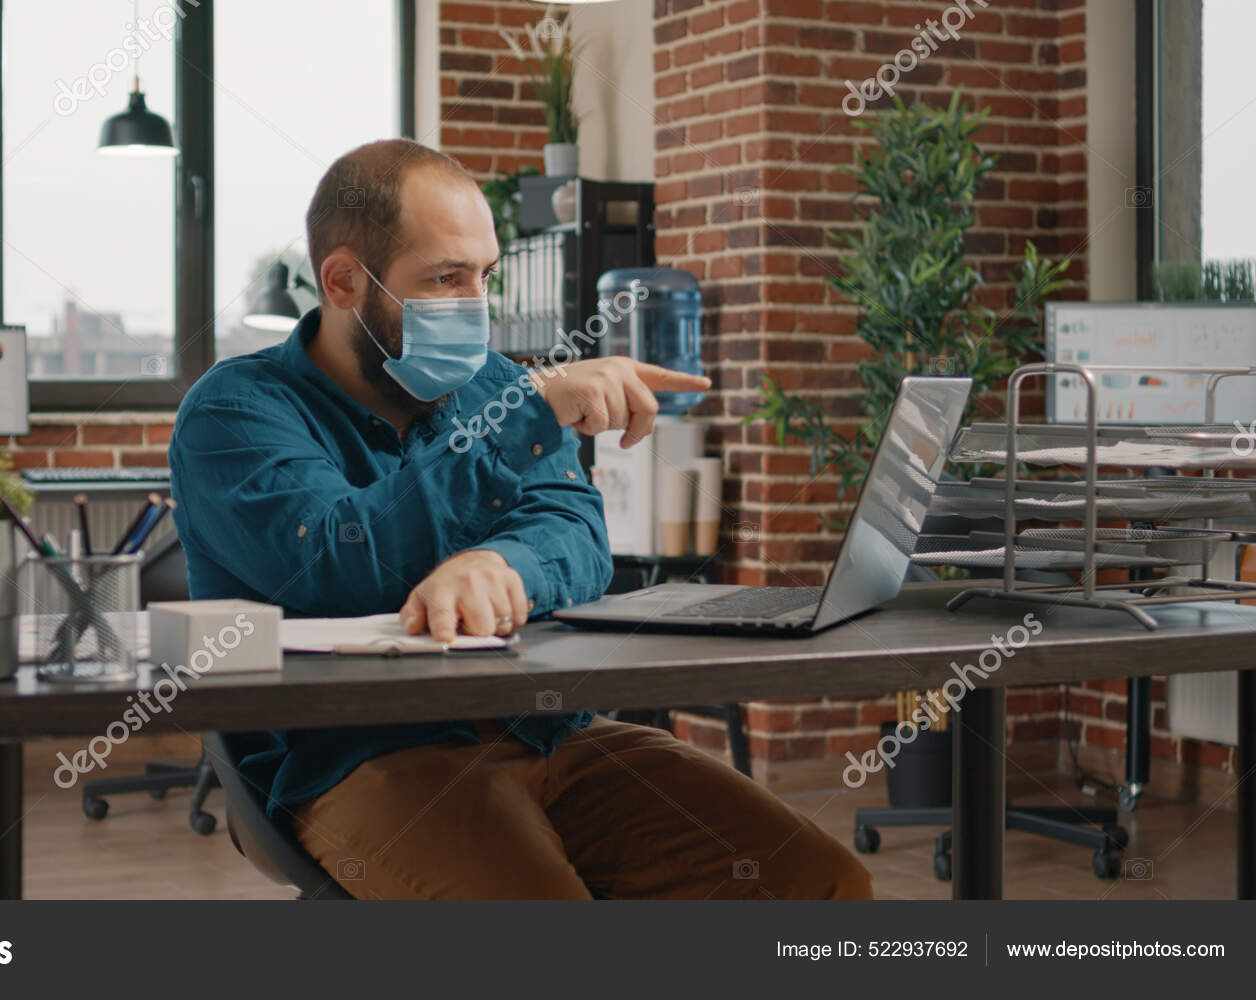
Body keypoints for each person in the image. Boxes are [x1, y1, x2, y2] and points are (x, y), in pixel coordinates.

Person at [168, 138, 872, 900]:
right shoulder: (235, 413)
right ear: (343, 281)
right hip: (352, 759)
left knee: (819, 882)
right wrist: (530, 417)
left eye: (485, 276)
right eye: (445, 278)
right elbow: (342, 557)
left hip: (545, 729)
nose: (474, 305)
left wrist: (500, 566)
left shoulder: (492, 385)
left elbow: (577, 531)